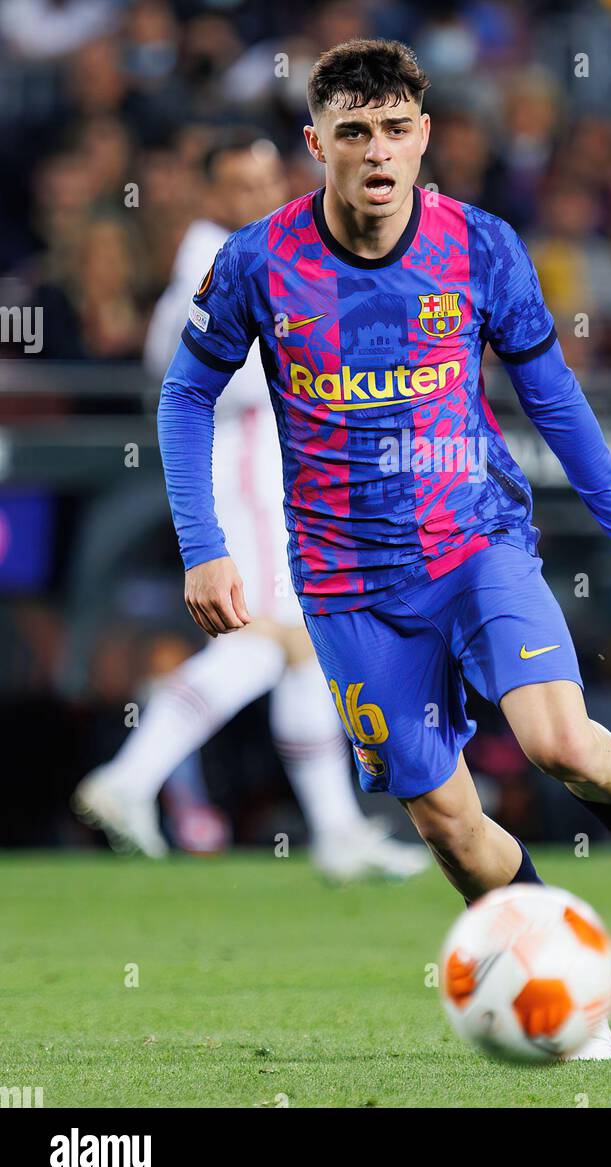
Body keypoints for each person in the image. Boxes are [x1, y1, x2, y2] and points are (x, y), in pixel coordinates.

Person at [156, 39, 611, 1061]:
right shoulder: (258, 262)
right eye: (353, 132)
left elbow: (552, 397)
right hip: (347, 584)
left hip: (472, 541)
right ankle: (555, 980)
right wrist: (203, 544)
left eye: (395, 128)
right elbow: (184, 396)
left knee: (559, 743)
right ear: (317, 145)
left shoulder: (479, 247)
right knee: (444, 819)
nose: (377, 150)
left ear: (424, 136)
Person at [74, 130, 429, 882]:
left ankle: (336, 831)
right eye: (240, 185)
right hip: (245, 463)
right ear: (211, 196)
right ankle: (130, 777)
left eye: (268, 180)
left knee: (304, 647)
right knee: (266, 638)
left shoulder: (240, 258)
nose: (260, 196)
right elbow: (187, 377)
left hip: (273, 464)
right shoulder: (221, 263)